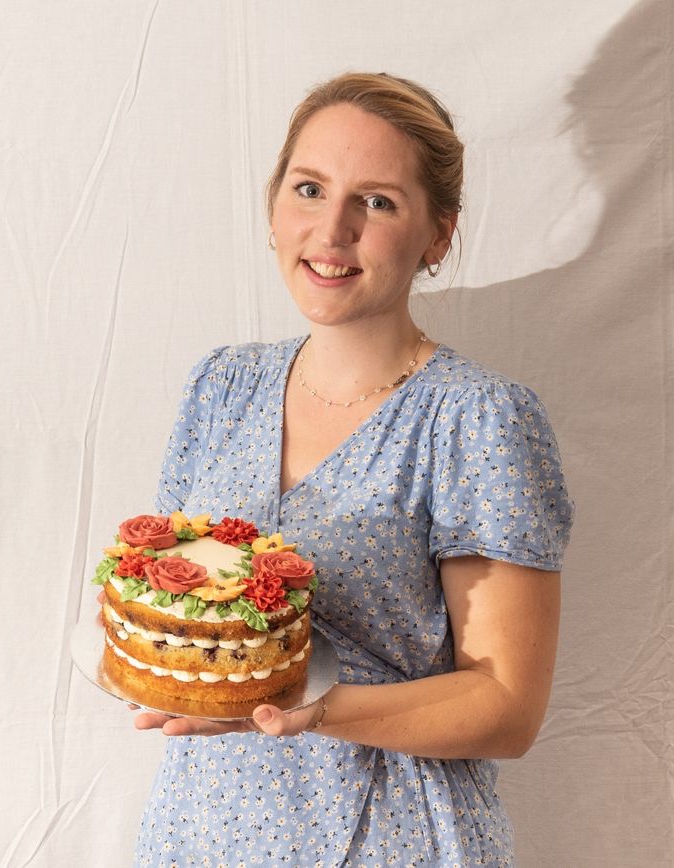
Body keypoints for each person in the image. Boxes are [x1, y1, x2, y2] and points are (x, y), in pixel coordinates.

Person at [130, 72, 574, 866]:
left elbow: (508, 707)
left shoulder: (477, 419)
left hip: (385, 839)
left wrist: (315, 708)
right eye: (309, 188)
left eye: (376, 202)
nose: (332, 230)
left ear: (437, 236)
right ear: (273, 208)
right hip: (199, 832)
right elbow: (172, 594)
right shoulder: (221, 385)